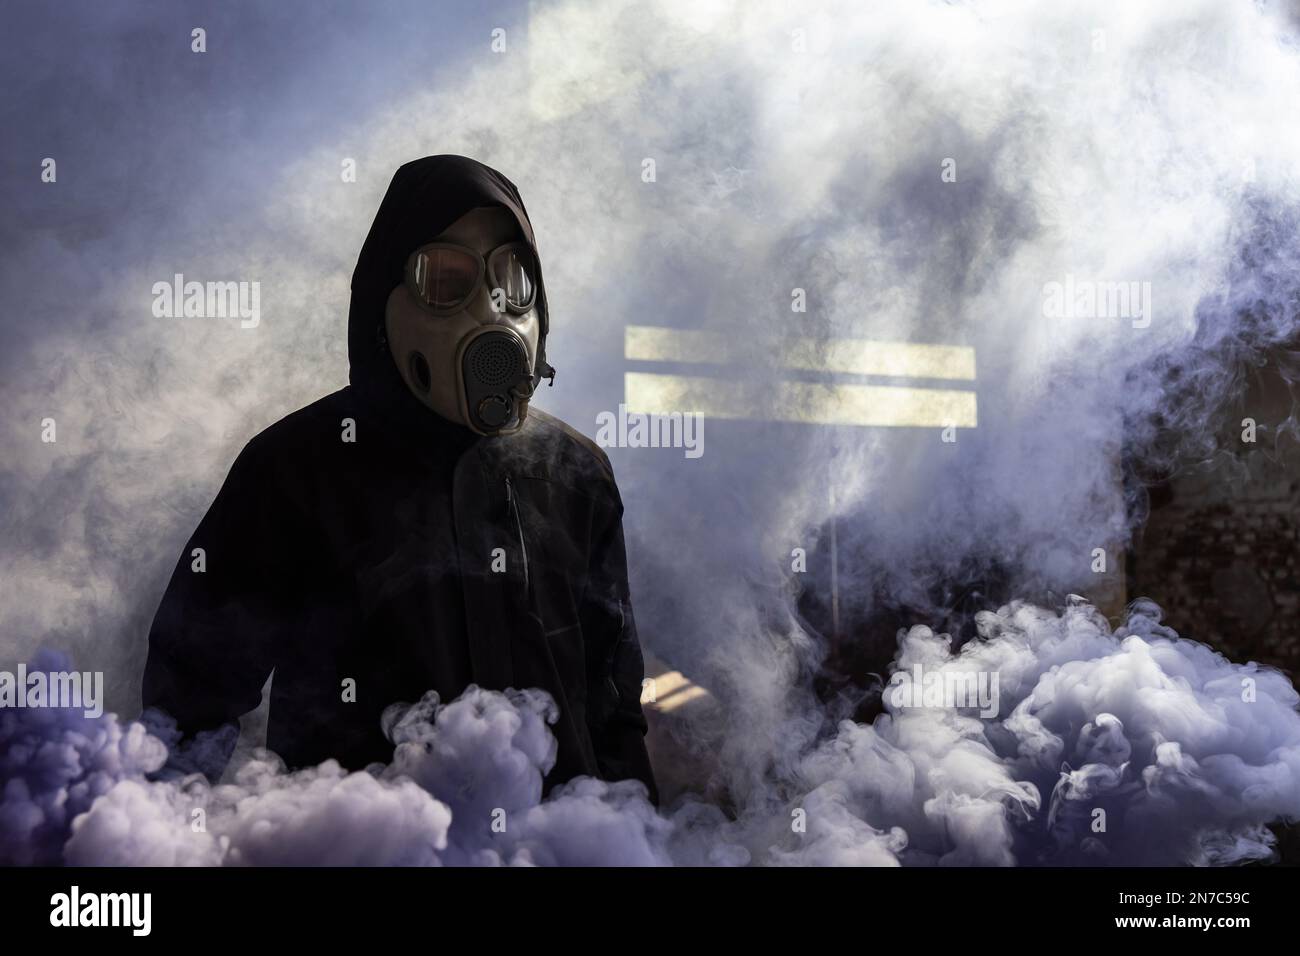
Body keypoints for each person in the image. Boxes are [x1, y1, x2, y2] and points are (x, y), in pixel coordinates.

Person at [142, 155, 658, 803]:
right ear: (384, 300)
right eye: (446, 279)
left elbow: (614, 708)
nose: (489, 310)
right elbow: (190, 702)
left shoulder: (576, 473)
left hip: (559, 845)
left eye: (510, 278)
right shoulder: (296, 469)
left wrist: (637, 838)